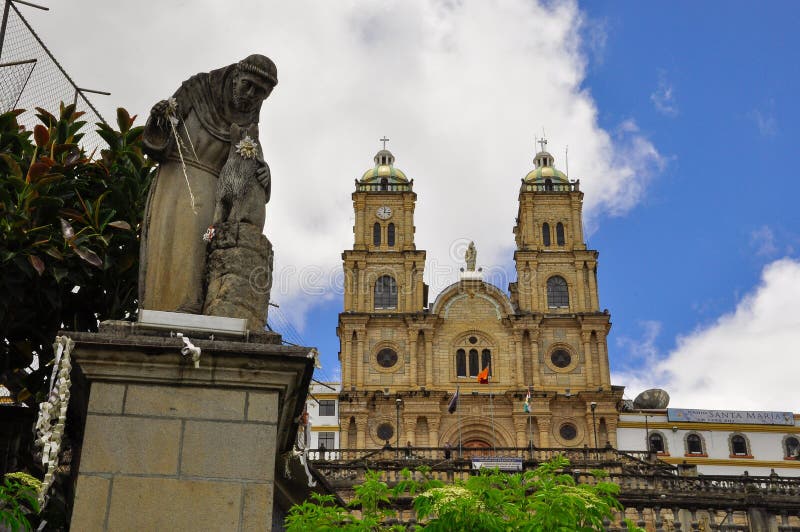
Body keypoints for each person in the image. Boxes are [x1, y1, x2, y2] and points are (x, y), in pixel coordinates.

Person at [139, 55, 277, 313]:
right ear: (236, 76)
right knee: (171, 248)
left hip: (215, 194)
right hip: (177, 179)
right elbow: (158, 139)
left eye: (260, 92)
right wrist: (159, 118)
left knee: (204, 249)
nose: (251, 95)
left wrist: (263, 172)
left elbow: (246, 161)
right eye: (247, 85)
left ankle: (197, 308)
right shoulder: (197, 89)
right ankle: (166, 311)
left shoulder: (248, 120)